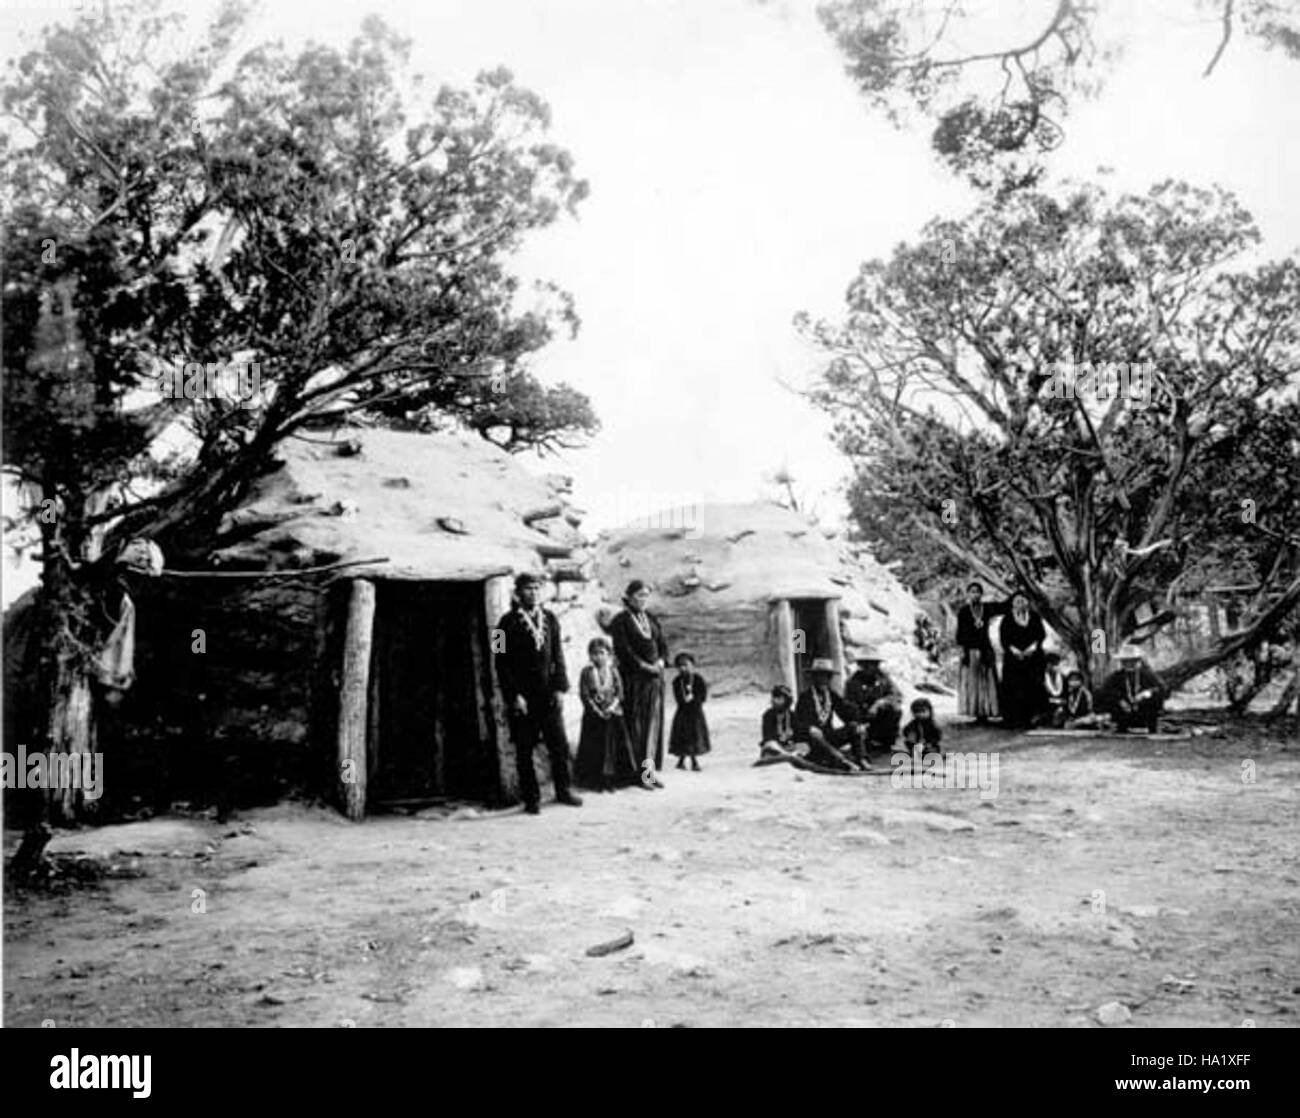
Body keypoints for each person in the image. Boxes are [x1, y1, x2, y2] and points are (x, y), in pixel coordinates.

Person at [493, 572, 582, 814]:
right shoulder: (502, 624)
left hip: (548, 695)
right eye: (528, 588)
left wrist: (561, 688)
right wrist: (513, 696)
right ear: (518, 592)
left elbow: (558, 655)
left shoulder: (551, 619)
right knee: (524, 748)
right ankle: (531, 798)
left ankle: (563, 791)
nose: (533, 592)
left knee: (559, 745)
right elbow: (499, 663)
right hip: (523, 698)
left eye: (536, 588)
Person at [609, 580, 669, 786]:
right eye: (639, 595)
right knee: (636, 728)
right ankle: (634, 774)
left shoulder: (650, 618)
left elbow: (662, 645)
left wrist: (660, 662)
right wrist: (645, 667)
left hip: (654, 682)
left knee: (652, 728)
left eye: (646, 595)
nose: (643, 599)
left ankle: (647, 773)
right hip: (634, 681)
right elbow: (624, 651)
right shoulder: (620, 621)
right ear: (629, 597)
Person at [573, 637, 644, 793]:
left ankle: (614, 779)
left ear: (609, 654)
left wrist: (611, 708)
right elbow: (585, 694)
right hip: (594, 717)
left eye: (602, 653)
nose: (598, 657)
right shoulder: (587, 672)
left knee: (612, 748)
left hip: (613, 715)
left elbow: (620, 693)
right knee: (596, 748)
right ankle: (597, 780)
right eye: (594, 654)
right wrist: (597, 711)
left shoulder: (613, 671)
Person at [793, 658, 865, 771]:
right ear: (814, 678)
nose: (823, 680)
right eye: (819, 676)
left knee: (853, 728)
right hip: (811, 741)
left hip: (828, 736)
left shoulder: (831, 695)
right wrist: (809, 728)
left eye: (826, 676)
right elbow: (797, 723)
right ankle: (842, 761)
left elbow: (845, 712)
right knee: (818, 742)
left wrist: (857, 724)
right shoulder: (805, 697)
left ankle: (861, 759)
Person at [955, 581, 1003, 723]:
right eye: (972, 591)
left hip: (985, 648)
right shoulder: (964, 611)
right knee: (973, 682)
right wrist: (963, 650)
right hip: (970, 650)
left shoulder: (987, 608)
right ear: (968, 594)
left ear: (981, 594)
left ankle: (988, 710)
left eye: (977, 591)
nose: (975, 594)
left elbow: (1003, 607)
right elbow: (960, 632)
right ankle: (976, 711)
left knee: (987, 680)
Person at [998, 591, 1047, 729]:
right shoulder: (1007, 619)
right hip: (1013, 659)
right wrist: (1015, 650)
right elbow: (1004, 638)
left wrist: (1031, 649)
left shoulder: (1035, 617)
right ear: (1012, 603)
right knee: (1013, 688)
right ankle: (1013, 720)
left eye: (1023, 601)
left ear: (1028, 602)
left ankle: (1030, 719)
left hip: (1032, 658)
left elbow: (1040, 635)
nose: (1020, 604)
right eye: (1017, 601)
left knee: (1031, 687)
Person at [844, 647, 903, 756]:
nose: (870, 668)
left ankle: (886, 743)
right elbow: (848, 705)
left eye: (874, 664)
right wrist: (860, 720)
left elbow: (896, 695)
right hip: (861, 719)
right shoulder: (852, 682)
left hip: (880, 717)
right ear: (860, 665)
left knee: (895, 710)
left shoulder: (883, 678)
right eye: (866, 665)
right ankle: (866, 743)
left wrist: (880, 703)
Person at [1097, 645, 1166, 733]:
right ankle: (1120, 728)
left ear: (1138, 660)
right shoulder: (1116, 676)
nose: (1129, 664)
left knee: (1154, 700)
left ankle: (1151, 728)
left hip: (1144, 711)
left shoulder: (1148, 675)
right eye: (1126, 661)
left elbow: (1162, 689)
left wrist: (1147, 693)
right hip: (1123, 713)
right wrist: (1119, 700)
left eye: (1132, 661)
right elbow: (1104, 691)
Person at [668, 652, 711, 771]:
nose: (683, 668)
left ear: (692, 665)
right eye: (680, 666)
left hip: (695, 714)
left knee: (693, 737)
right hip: (682, 713)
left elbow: (703, 696)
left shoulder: (698, 679)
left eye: (686, 665)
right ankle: (682, 761)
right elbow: (677, 697)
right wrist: (684, 700)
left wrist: (694, 699)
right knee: (683, 737)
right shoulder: (677, 681)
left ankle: (693, 761)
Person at [758, 684, 798, 758]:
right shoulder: (768, 715)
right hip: (774, 747)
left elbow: (798, 733)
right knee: (770, 744)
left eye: (779, 698)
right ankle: (787, 755)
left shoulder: (792, 715)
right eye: (774, 697)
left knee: (804, 746)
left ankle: (788, 755)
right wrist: (781, 739)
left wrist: (791, 738)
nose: (775, 701)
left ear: (787, 700)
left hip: (789, 746)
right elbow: (768, 737)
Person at [1042, 651, 1066, 726]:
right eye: (1053, 664)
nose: (1055, 667)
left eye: (1056, 664)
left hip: (1060, 705)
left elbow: (1066, 694)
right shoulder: (1040, 678)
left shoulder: (1063, 677)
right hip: (1046, 706)